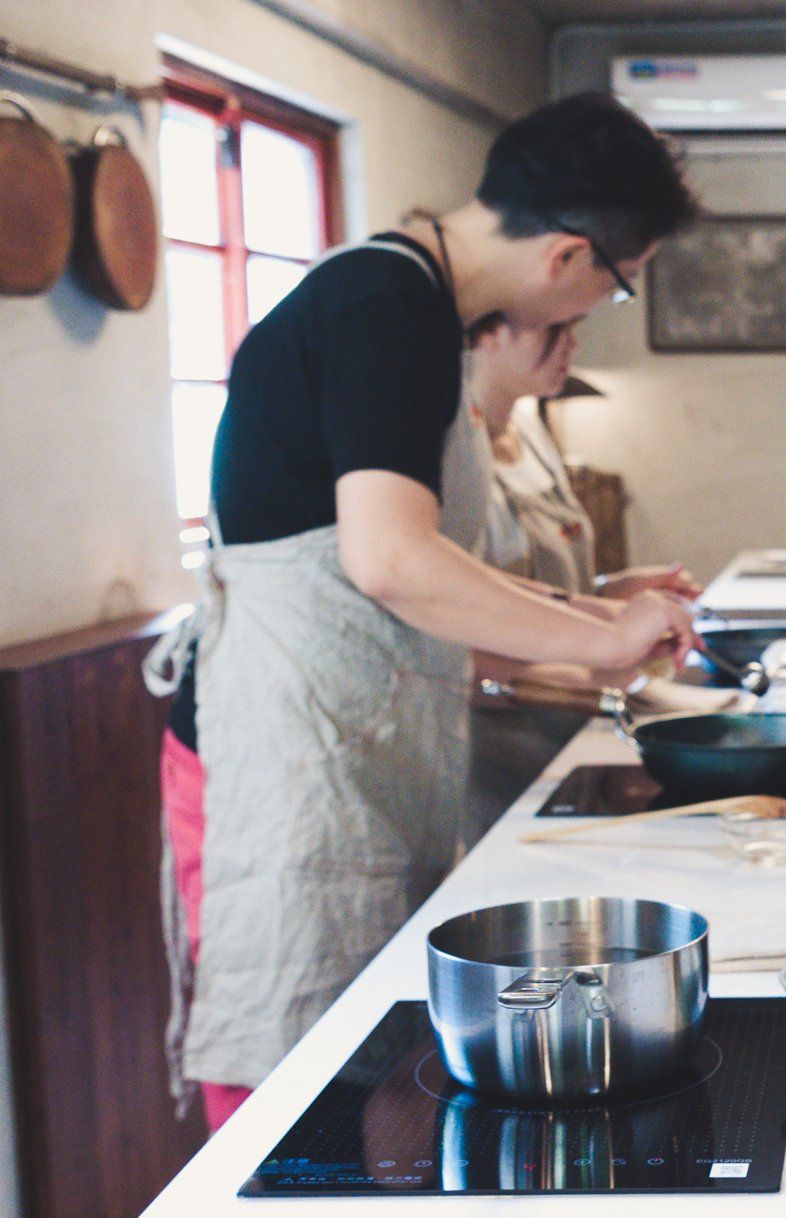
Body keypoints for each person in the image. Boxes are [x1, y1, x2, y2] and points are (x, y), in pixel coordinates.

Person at [147, 94, 702, 1129]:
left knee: (354, 1061)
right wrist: (597, 641)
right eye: (618, 289)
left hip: (345, 733)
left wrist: (587, 608)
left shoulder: (410, 304)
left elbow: (426, 561)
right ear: (568, 257)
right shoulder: (384, 303)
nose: (595, 311)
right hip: (273, 745)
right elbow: (390, 560)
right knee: (281, 1088)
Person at [462, 315, 699, 840]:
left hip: (567, 738)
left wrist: (614, 594)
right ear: (490, 333)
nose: (574, 342)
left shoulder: (530, 428)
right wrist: (598, 654)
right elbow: (447, 624)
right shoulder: (452, 452)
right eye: (553, 326)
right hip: (489, 754)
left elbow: (548, 593)